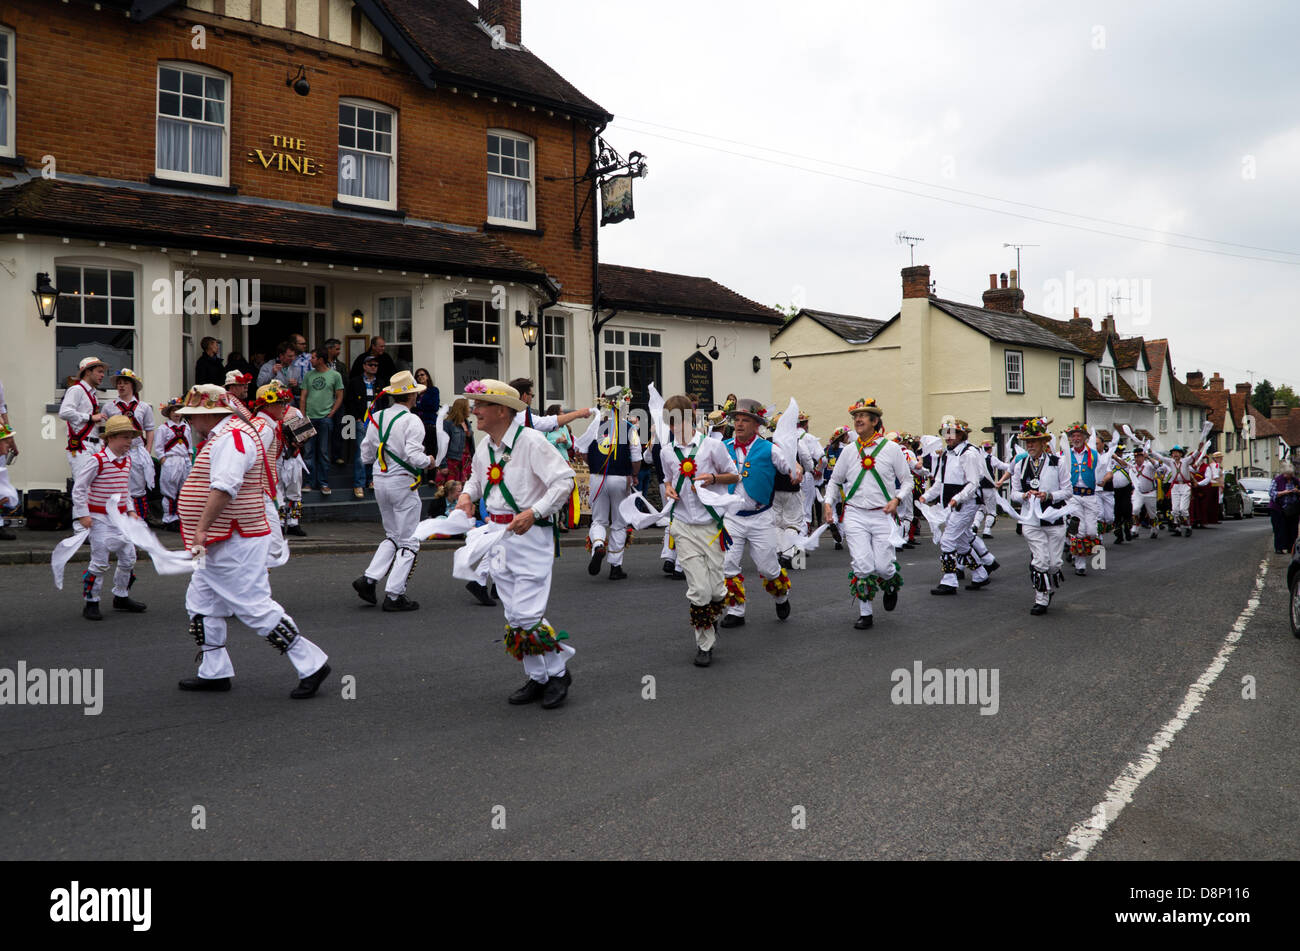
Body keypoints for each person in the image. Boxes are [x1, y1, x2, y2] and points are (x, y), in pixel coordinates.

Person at [174, 384, 331, 699]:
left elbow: (224, 487)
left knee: (253, 606)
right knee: (201, 603)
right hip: (223, 537)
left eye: (193, 415)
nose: (190, 421)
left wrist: (201, 528)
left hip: (235, 537)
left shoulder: (233, 438)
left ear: (212, 413)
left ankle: (311, 663)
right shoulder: (226, 435)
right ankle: (214, 671)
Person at [454, 379, 577, 709]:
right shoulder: (486, 446)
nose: (474, 410)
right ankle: (539, 677)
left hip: (529, 534)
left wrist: (534, 512)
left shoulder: (532, 442)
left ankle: (559, 672)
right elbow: (477, 480)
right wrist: (466, 496)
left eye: (480, 405)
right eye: (474, 404)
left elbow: (564, 481)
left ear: (501, 410)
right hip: (498, 537)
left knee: (527, 611)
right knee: (514, 613)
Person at [660, 394, 739, 666]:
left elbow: (735, 474)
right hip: (682, 527)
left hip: (711, 527)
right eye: (669, 422)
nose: (674, 427)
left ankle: (711, 617)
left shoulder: (711, 447)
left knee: (717, 591)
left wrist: (714, 478)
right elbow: (668, 480)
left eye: (677, 420)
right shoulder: (666, 452)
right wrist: (669, 489)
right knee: (699, 590)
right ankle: (704, 645)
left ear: (689, 418)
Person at [824, 398, 910, 630]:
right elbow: (834, 481)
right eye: (855, 417)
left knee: (883, 567)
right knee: (862, 565)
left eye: (863, 416)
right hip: (855, 515)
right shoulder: (849, 451)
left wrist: (897, 499)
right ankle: (865, 612)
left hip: (883, 514)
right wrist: (828, 502)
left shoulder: (892, 449)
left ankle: (891, 583)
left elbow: (907, 481)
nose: (858, 420)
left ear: (875, 421)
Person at [353, 371, 435, 612]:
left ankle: (368, 580)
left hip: (380, 481)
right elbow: (414, 456)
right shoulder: (412, 421)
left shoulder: (377, 416)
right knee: (409, 541)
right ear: (412, 396)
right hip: (402, 482)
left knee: (392, 534)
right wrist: (430, 460)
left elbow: (366, 454)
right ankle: (395, 595)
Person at [719, 399, 798, 627]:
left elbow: (788, 465)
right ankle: (735, 610)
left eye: (746, 420)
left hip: (761, 517)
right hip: (732, 517)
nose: (740, 424)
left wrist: (797, 469)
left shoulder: (769, 448)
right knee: (727, 565)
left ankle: (781, 596)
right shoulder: (723, 447)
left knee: (768, 567)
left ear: (757, 425)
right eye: (737, 420)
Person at [70, 414, 147, 620]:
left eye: (130, 438)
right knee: (100, 561)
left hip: (121, 518)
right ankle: (92, 601)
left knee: (129, 557)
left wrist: (130, 510)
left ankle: (121, 596)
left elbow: (125, 489)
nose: (129, 442)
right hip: (100, 518)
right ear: (110, 438)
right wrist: (83, 515)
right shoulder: (98, 461)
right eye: (124, 437)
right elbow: (79, 488)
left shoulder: (127, 460)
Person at [1008, 418, 1070, 615]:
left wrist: (1049, 495)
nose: (1030, 445)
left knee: (1054, 564)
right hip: (1031, 519)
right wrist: (1025, 496)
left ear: (1044, 442)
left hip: (1054, 518)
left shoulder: (1057, 462)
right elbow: (1013, 493)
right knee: (1040, 561)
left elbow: (1068, 491)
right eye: (1028, 442)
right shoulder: (1020, 465)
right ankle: (1041, 598)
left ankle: (1048, 585)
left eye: (1034, 441)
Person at [923, 417, 990, 595]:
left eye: (953, 433)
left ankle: (949, 581)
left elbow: (973, 483)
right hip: (953, 504)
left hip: (967, 504)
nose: (949, 437)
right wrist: (926, 496)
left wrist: (957, 498)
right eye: (946, 433)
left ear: (961, 435)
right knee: (961, 542)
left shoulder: (969, 453)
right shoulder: (947, 453)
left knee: (948, 540)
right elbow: (940, 482)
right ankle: (980, 573)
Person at [585, 385, 641, 581]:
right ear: (624, 403)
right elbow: (636, 458)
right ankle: (615, 567)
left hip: (597, 477)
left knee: (599, 519)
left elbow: (582, 451)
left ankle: (599, 544)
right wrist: (634, 475)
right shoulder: (630, 428)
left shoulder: (594, 426)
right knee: (619, 522)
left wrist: (594, 466)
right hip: (620, 477)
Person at [108, 369, 156, 520]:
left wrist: (147, 451)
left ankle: (139, 522)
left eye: (125, 383)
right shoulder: (110, 407)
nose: (121, 386)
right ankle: (119, 522)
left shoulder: (143, 407)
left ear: (133, 386)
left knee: (138, 488)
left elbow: (149, 430)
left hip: (137, 451)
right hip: (117, 453)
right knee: (118, 486)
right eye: (119, 383)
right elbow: (105, 432)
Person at [300, 347, 344, 495]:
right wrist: (302, 416)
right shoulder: (308, 375)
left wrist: (331, 413)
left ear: (320, 359)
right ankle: (308, 483)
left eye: (313, 357)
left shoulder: (335, 375)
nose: (310, 360)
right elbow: (303, 396)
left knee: (324, 452)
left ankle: (323, 483)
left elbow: (339, 396)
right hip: (308, 418)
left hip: (325, 418)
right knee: (308, 452)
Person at [346, 354, 386, 497]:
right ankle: (359, 484)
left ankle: (372, 480)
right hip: (361, 421)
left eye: (376, 365)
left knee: (376, 451)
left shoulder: (380, 383)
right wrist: (356, 418)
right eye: (370, 365)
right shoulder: (355, 382)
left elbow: (384, 403)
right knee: (360, 453)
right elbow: (349, 401)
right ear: (364, 366)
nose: (373, 367)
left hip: (377, 422)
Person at [59, 356, 107, 473]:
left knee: (95, 486)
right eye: (99, 372)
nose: (103, 375)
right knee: (83, 486)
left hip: (95, 445)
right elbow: (64, 412)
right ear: (88, 372)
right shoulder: (76, 390)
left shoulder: (93, 395)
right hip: (81, 445)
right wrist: (90, 417)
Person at [155, 398, 192, 532]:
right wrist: (164, 460)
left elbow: (189, 445)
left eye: (179, 410)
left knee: (183, 490)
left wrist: (189, 457)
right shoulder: (163, 428)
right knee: (170, 491)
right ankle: (169, 519)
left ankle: (180, 518)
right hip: (171, 461)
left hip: (184, 461)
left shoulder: (186, 427)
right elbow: (158, 448)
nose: (176, 413)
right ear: (169, 413)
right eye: (173, 410)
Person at [508, 377, 591, 432]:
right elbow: (547, 422)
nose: (532, 399)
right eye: (532, 396)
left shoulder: (508, 413)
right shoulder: (520, 415)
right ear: (525, 396)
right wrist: (578, 413)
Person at [1269, 462, 1300, 553]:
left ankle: (1291, 548)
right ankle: (1279, 548)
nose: (1289, 476)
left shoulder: (1295, 481)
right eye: (1287, 474)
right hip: (1278, 509)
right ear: (1283, 473)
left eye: (1290, 474)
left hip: (1292, 509)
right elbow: (1272, 493)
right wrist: (1284, 492)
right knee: (1279, 529)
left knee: (1292, 530)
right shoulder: (1277, 480)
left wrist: (1297, 491)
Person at [413, 368, 441, 456]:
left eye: (422, 374)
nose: (420, 377)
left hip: (429, 423)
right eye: (417, 376)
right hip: (416, 423)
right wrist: (417, 394)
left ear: (427, 377)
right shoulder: (414, 392)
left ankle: (431, 469)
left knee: (431, 450)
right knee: (417, 450)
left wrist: (418, 406)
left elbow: (434, 407)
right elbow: (411, 407)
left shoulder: (433, 390)